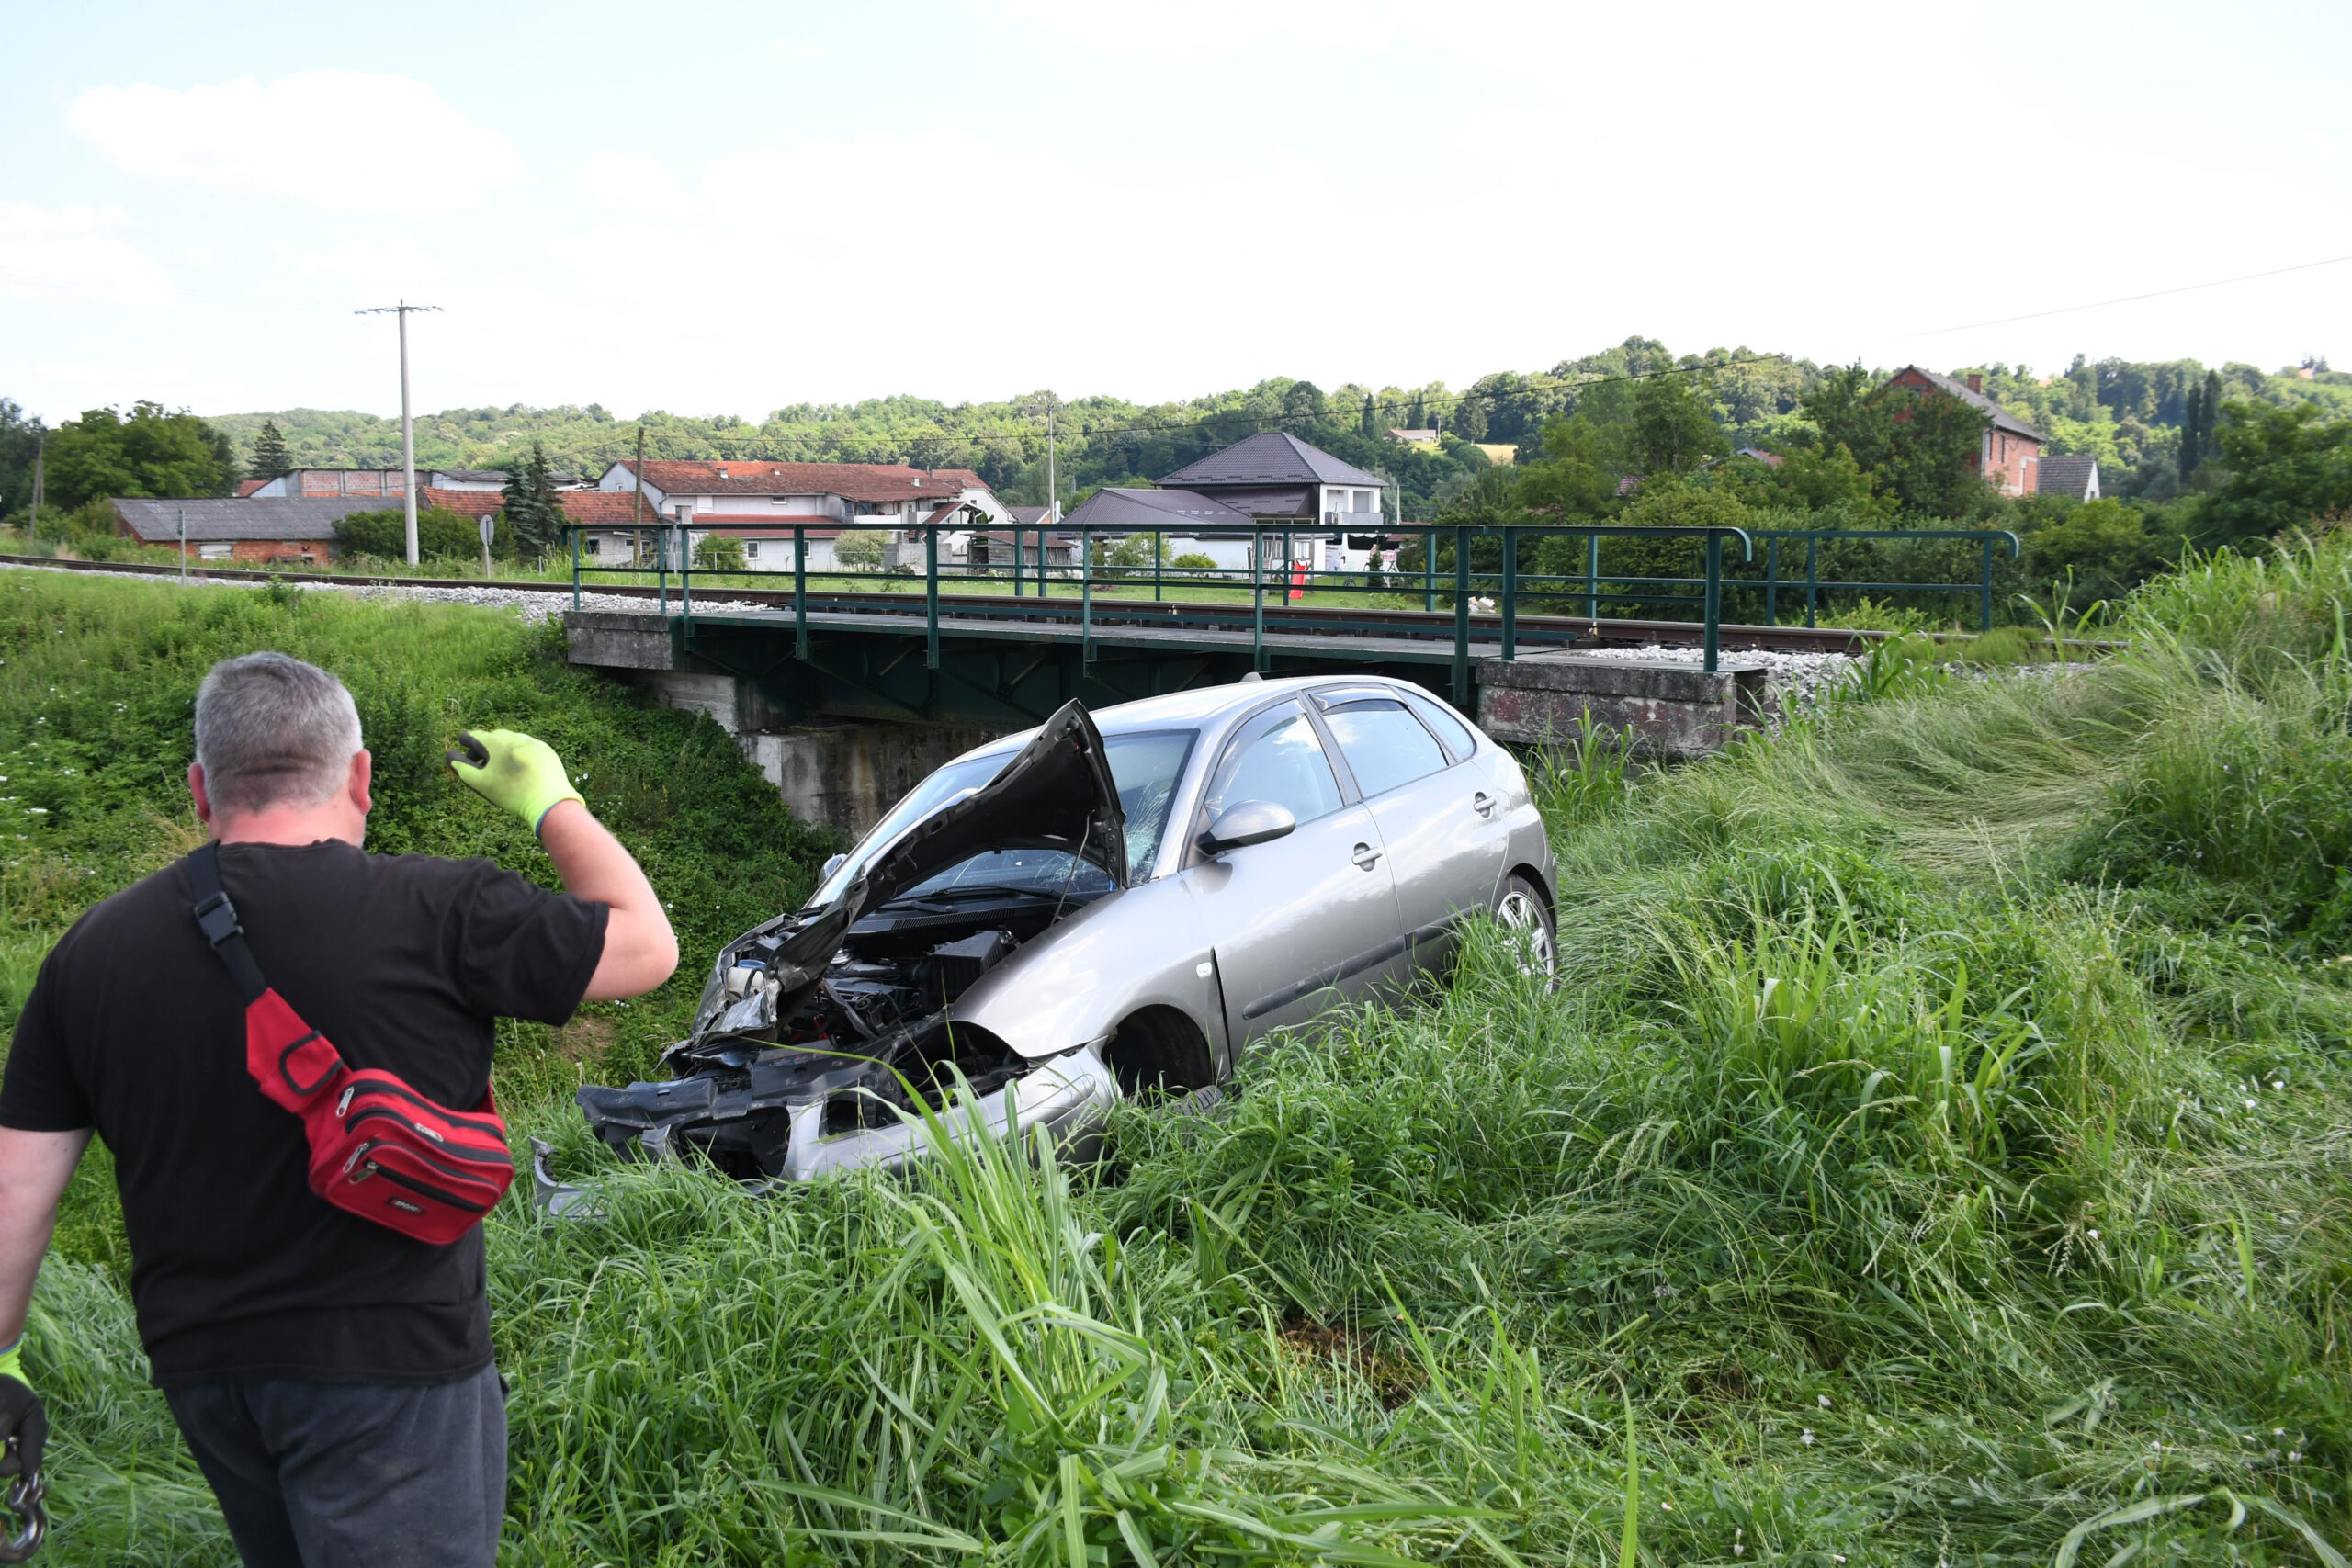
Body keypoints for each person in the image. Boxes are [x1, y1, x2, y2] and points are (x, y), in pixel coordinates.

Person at [0, 651, 678, 1566]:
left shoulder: (90, 954)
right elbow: (644, 949)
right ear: (358, 775)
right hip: (391, 1367)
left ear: (202, 788)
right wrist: (551, 801)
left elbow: (17, 1197)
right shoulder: (436, 907)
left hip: (209, 1373)